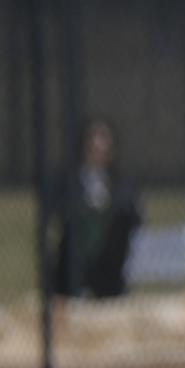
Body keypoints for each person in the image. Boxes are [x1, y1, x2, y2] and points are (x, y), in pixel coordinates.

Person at [48, 115, 142, 300]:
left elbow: (133, 215)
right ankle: (77, 286)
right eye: (93, 147)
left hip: (108, 258)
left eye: (103, 147)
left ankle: (107, 288)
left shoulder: (120, 183)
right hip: (76, 253)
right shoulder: (69, 182)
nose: (98, 152)